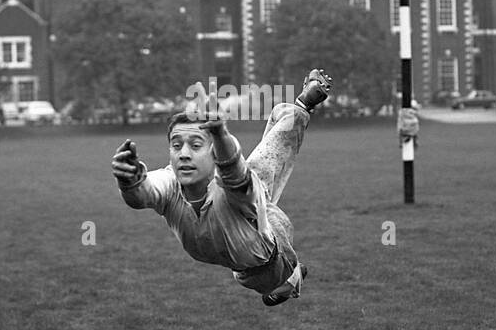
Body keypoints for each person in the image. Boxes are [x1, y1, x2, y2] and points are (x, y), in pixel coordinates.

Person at [111, 69, 332, 307]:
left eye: (195, 145)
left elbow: (235, 173)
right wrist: (130, 181)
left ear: (213, 153)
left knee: (256, 173)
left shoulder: (233, 187)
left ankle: (291, 279)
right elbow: (142, 194)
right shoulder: (170, 182)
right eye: (176, 145)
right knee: (264, 163)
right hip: (245, 258)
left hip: (272, 255)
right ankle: (301, 106)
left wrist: (220, 135)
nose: (184, 154)